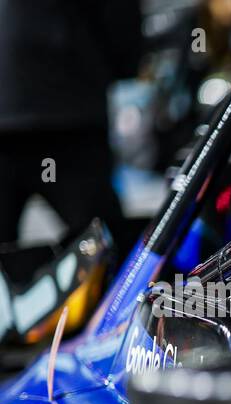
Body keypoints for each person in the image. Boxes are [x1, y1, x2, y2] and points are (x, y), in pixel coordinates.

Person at [0, 0, 142, 249]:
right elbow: (119, 19)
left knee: (105, 246)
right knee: (107, 251)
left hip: (63, 111)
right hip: (71, 110)